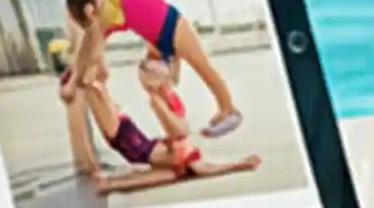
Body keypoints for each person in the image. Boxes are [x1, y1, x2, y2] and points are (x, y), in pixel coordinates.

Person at [61, 0, 243, 138]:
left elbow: (92, 46)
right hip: (156, 40)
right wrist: (79, 76)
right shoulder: (105, 11)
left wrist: (78, 77)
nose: (93, 18)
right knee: (151, 79)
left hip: (175, 26)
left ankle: (229, 110)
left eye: (91, 14)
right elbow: (89, 48)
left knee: (204, 69)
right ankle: (177, 123)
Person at [77, 51, 262, 195]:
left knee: (93, 85)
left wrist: (241, 165)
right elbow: (210, 168)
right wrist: (239, 165)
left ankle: (86, 64)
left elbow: (143, 179)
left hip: (129, 140)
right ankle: (88, 65)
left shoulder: (177, 166)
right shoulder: (177, 166)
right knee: (95, 85)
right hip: (132, 140)